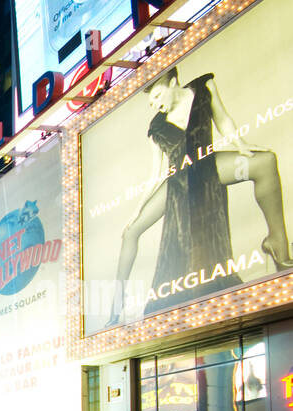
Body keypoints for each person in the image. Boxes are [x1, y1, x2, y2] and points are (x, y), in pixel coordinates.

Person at [107, 67, 292, 326]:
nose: (155, 104)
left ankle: (277, 242)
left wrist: (241, 145)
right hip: (178, 183)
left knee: (265, 162)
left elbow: (223, 120)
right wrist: (137, 209)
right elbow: (155, 174)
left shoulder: (204, 88)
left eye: (157, 95)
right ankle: (116, 306)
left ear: (173, 82)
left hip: (209, 167)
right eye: (150, 102)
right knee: (130, 232)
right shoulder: (156, 127)